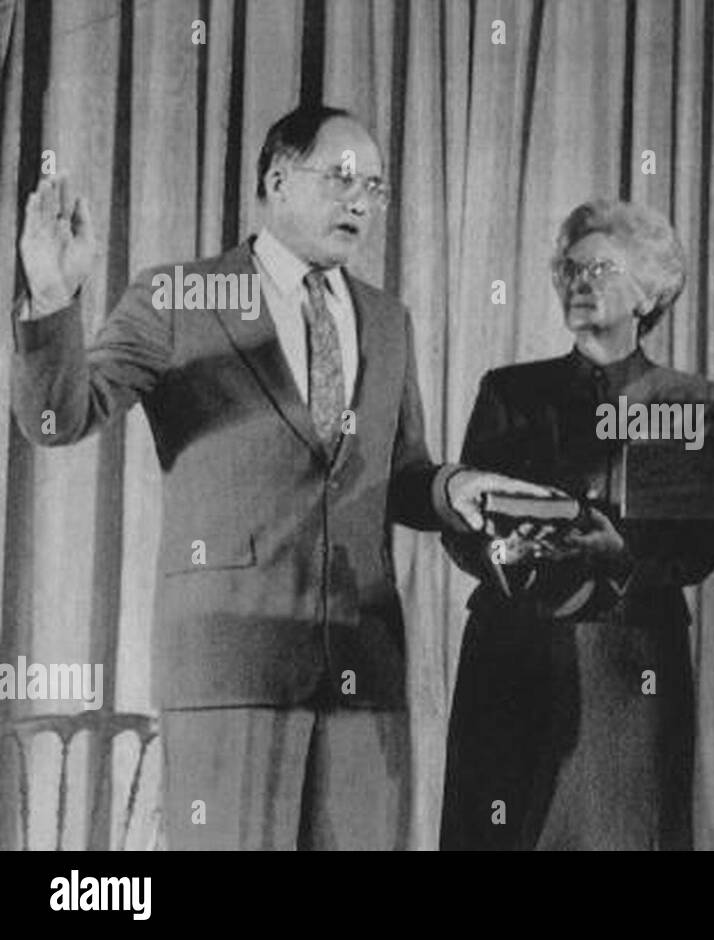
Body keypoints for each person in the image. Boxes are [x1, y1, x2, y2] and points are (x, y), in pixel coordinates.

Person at [11, 104, 549, 850]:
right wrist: (50, 302)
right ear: (276, 180)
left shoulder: (388, 319)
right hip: (231, 669)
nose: (362, 201)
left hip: (364, 673)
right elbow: (58, 421)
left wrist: (453, 490)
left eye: (377, 188)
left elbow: (403, 473)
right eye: (342, 179)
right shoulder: (179, 299)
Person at [439, 199, 714, 850]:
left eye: (600, 267)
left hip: (629, 669)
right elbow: (461, 527)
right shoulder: (510, 392)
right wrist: (508, 554)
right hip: (511, 656)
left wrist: (621, 557)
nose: (579, 281)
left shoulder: (692, 402)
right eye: (570, 268)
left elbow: (699, 544)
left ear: (649, 289)